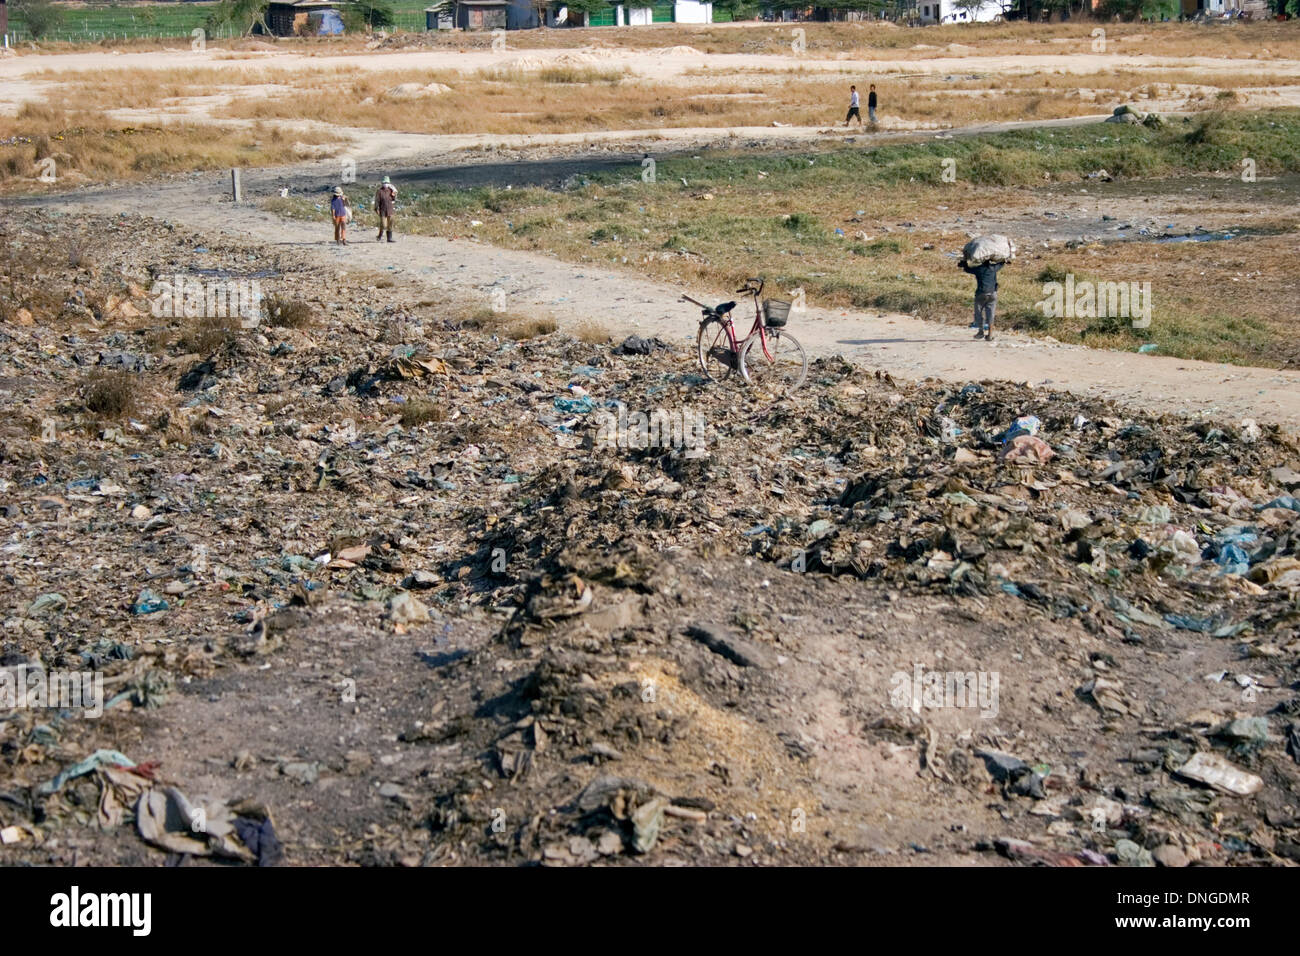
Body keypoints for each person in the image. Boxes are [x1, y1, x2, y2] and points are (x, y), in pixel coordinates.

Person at [960, 257, 1004, 341]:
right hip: (993, 293)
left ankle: (981, 332)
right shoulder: (994, 268)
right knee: (991, 313)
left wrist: (964, 263)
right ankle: (990, 334)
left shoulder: (979, 269)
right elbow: (1002, 263)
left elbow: (967, 269)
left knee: (979, 313)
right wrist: (1005, 260)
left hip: (981, 293)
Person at [375, 175, 397, 243]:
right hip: (383, 210)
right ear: (382, 183)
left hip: (390, 209)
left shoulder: (391, 190)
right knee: (383, 224)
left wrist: (394, 194)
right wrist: (376, 209)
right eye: (385, 183)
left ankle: (389, 238)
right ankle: (380, 235)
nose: (386, 184)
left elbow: (393, 199)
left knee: (390, 223)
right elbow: (377, 201)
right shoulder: (379, 191)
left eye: (387, 183)